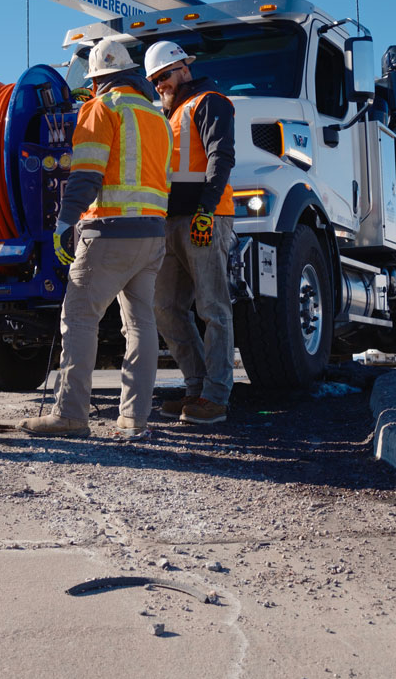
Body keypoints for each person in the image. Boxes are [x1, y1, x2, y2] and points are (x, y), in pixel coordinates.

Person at [21, 38, 171, 441]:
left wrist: (64, 221)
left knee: (80, 319)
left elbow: (87, 174)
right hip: (153, 235)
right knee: (140, 323)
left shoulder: (101, 108)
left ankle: (70, 414)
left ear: (98, 79)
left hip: (108, 231)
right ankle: (134, 418)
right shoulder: (156, 116)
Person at [144, 40, 237, 425]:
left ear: (183, 69)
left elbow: (222, 156)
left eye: (164, 76)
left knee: (213, 308)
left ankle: (215, 398)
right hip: (171, 220)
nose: (160, 85)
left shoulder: (209, 101)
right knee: (164, 306)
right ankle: (195, 388)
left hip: (205, 218)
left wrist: (205, 209)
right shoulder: (168, 114)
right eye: (154, 80)